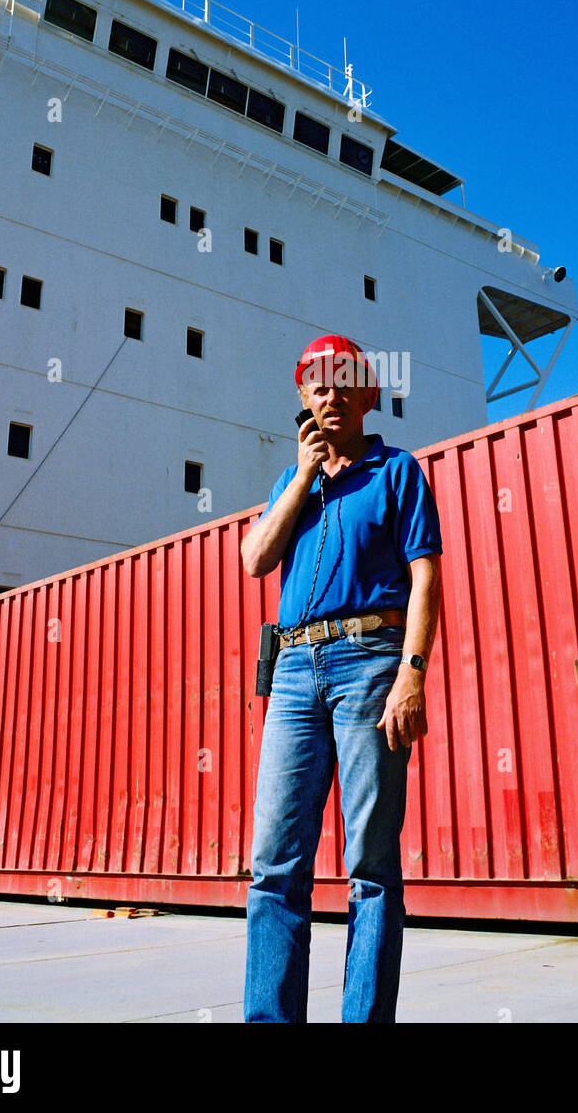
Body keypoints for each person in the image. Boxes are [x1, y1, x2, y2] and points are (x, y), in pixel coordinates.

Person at [241, 334, 443, 1023]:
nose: (329, 394)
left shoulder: (397, 470)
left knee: (370, 868)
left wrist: (411, 675)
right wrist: (301, 478)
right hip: (294, 672)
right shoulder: (292, 484)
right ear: (303, 399)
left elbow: (426, 579)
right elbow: (252, 560)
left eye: (342, 383)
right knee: (273, 864)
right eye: (315, 385)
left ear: (365, 396)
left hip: (370, 663)